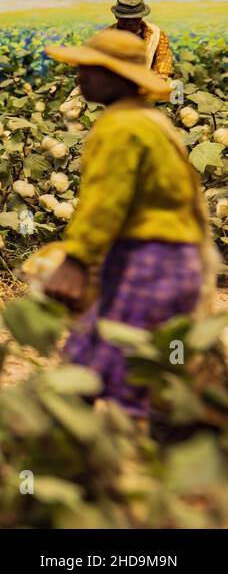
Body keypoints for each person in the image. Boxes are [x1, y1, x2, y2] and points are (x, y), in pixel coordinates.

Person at [43, 29, 216, 418]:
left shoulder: (120, 128)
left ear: (121, 78)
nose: (81, 76)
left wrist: (77, 259)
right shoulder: (145, 120)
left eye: (93, 69)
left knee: (129, 358)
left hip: (152, 258)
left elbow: (107, 201)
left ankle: (126, 452)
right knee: (103, 344)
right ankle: (80, 436)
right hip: (167, 258)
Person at [108, 0, 174, 80]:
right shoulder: (107, 35)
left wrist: (158, 80)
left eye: (135, 18)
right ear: (117, 16)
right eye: (125, 18)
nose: (130, 21)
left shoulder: (156, 34)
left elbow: (163, 59)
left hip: (149, 80)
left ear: (142, 16)